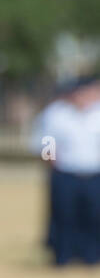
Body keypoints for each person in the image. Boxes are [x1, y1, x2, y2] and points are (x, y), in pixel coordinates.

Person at [31, 76, 100, 266]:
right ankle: (63, 256)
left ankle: (91, 256)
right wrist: (51, 160)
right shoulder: (56, 114)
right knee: (64, 216)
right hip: (66, 173)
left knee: (94, 217)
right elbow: (46, 140)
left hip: (95, 175)